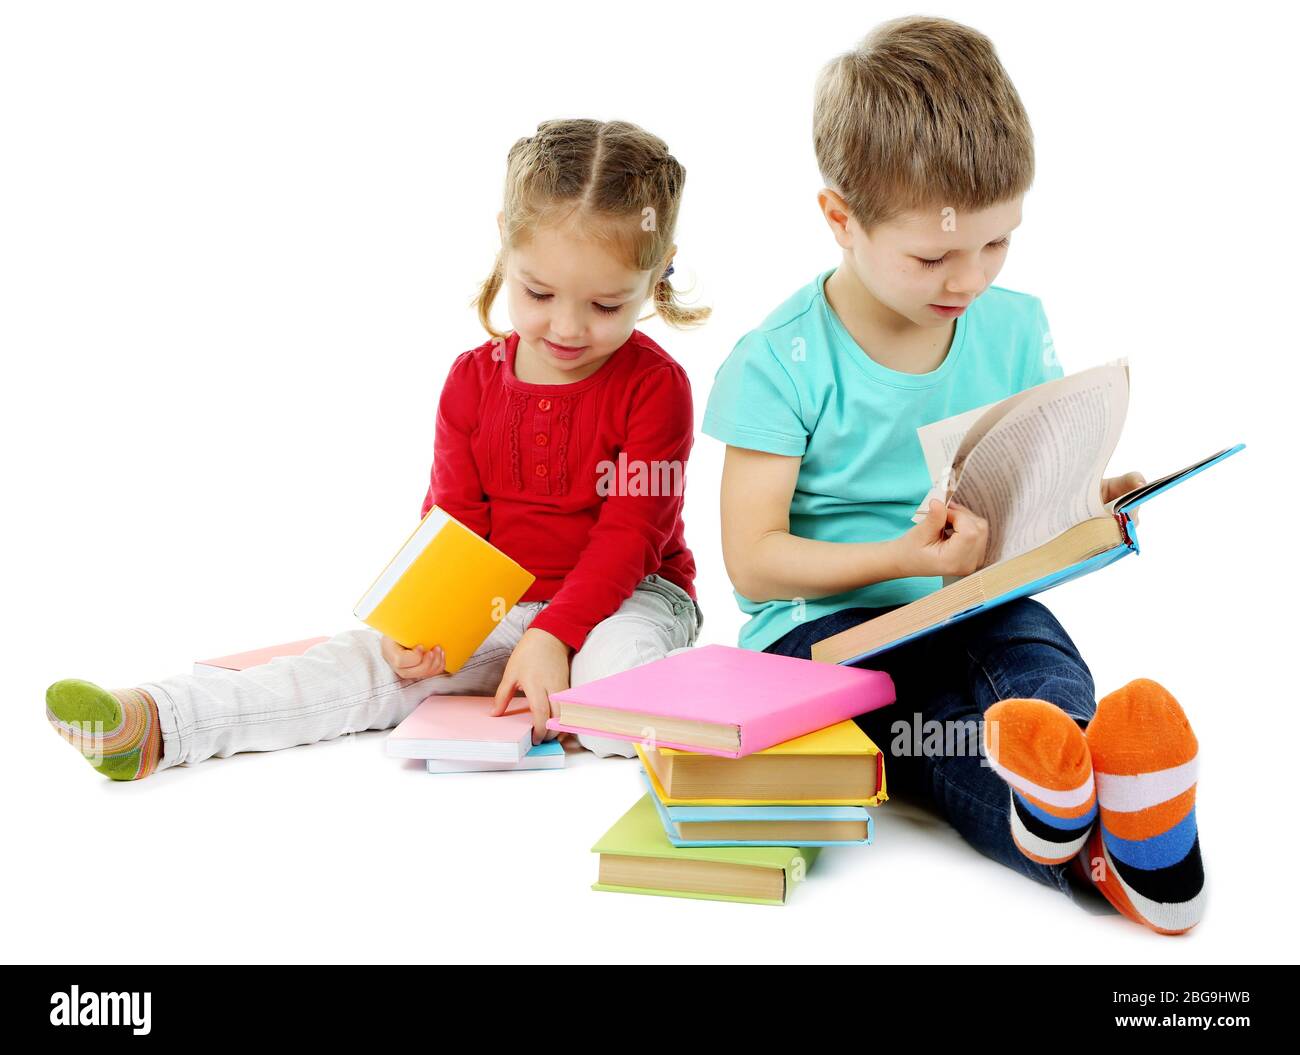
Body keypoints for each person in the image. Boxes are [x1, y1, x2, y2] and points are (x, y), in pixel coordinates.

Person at [701, 17, 1204, 934]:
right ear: (839, 219)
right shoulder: (779, 360)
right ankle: (1105, 849)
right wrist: (904, 555)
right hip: (825, 638)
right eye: (933, 255)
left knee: (1036, 650)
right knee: (929, 735)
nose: (968, 278)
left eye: (997, 243)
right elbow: (753, 562)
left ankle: (1088, 769)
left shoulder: (1015, 324)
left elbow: (1025, 486)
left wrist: (1092, 503)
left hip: (969, 597)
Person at [47, 118, 707, 778]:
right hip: (506, 606)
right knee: (358, 667)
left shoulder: (657, 389)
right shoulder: (470, 383)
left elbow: (629, 537)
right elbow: (452, 524)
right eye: (539, 293)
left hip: (633, 595)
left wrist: (553, 635)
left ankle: (677, 708)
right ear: (506, 241)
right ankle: (162, 722)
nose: (567, 326)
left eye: (605, 305)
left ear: (658, 273)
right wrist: (424, 621)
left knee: (615, 693)